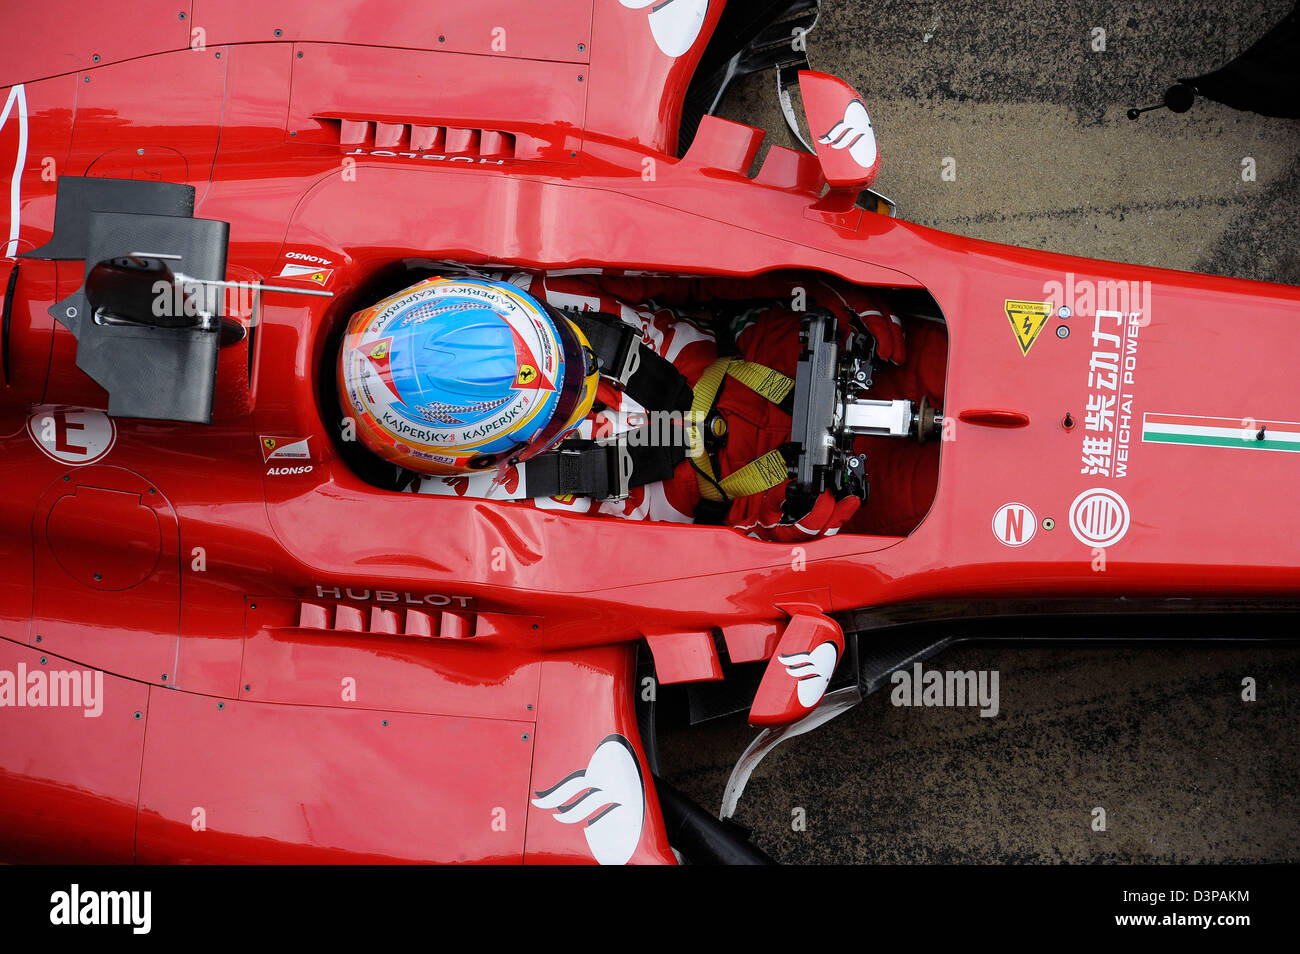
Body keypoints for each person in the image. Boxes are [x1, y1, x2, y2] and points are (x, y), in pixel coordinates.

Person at [339, 270, 925, 542]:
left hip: (786, 352)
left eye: (563, 346)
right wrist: (795, 538)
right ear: (481, 460)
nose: (581, 377)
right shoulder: (481, 520)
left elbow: (681, 271)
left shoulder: (521, 290)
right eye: (559, 403)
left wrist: (806, 281)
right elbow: (668, 587)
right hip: (779, 505)